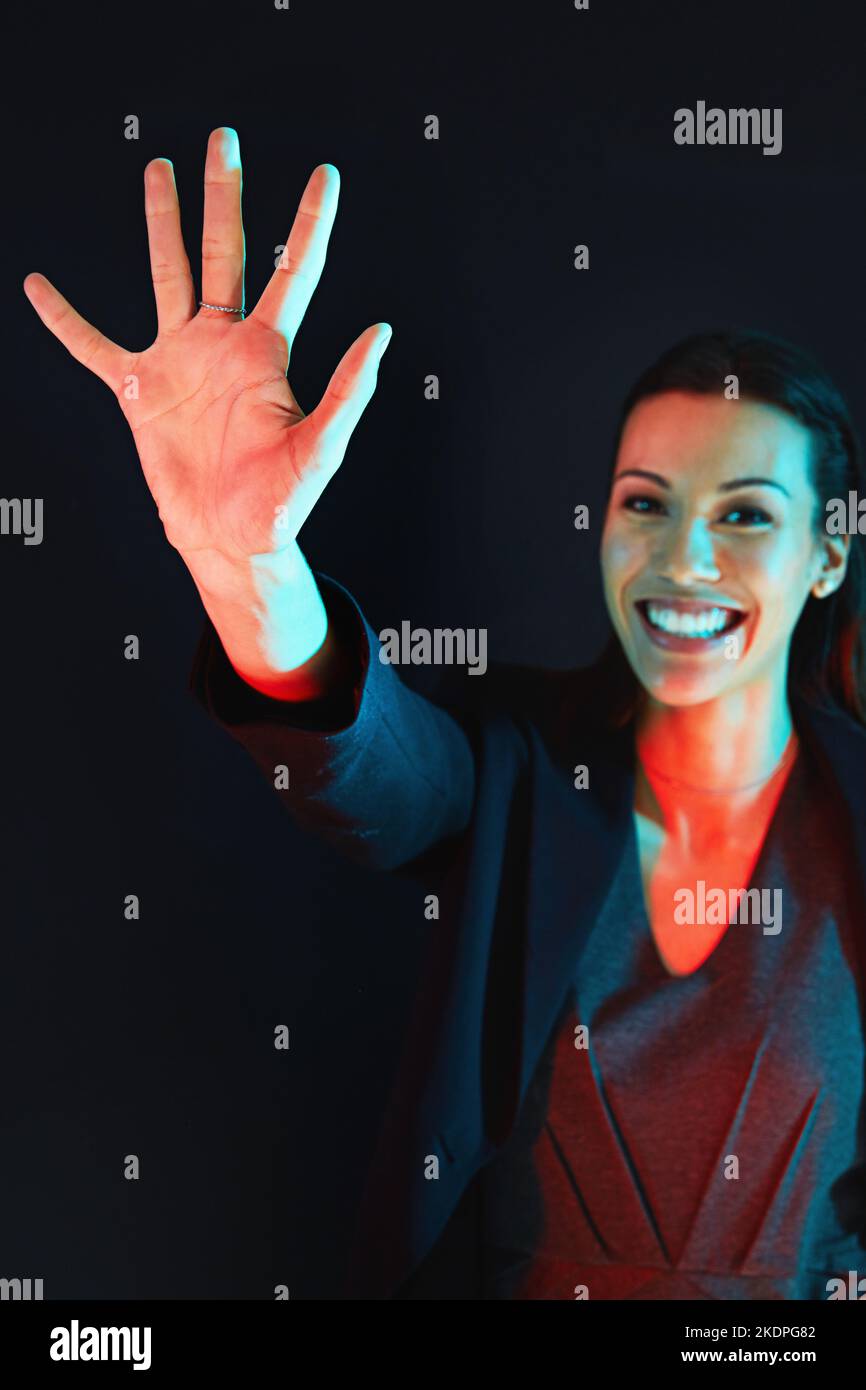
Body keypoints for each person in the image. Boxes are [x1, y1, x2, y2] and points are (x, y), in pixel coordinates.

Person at [24, 127, 866, 1301]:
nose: (681, 559)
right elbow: (373, 771)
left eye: (742, 514)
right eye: (644, 504)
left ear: (828, 552)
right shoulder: (517, 763)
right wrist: (247, 571)